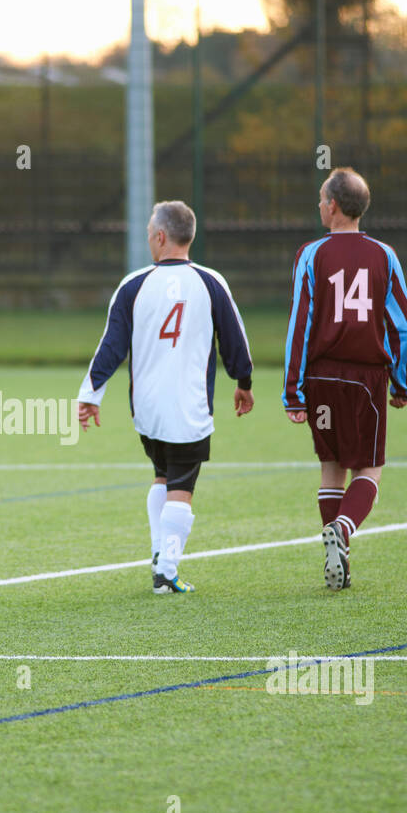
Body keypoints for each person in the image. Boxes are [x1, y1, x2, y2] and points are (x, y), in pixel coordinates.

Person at [77, 200, 254, 594]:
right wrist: (243, 381)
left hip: (148, 410)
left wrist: (91, 393)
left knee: (163, 475)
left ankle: (160, 554)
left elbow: (111, 346)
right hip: (189, 407)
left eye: (148, 235)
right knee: (183, 485)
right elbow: (235, 338)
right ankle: (167, 571)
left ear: (160, 237)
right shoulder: (210, 282)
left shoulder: (133, 285)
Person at [282, 168, 407, 591]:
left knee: (331, 467)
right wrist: (402, 382)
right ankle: (343, 528)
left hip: (320, 379)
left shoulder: (310, 253)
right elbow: (403, 328)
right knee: (369, 469)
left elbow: (299, 325)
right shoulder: (384, 255)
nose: (319, 205)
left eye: (322, 199)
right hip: (365, 381)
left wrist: (294, 392)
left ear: (333, 206)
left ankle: (337, 557)